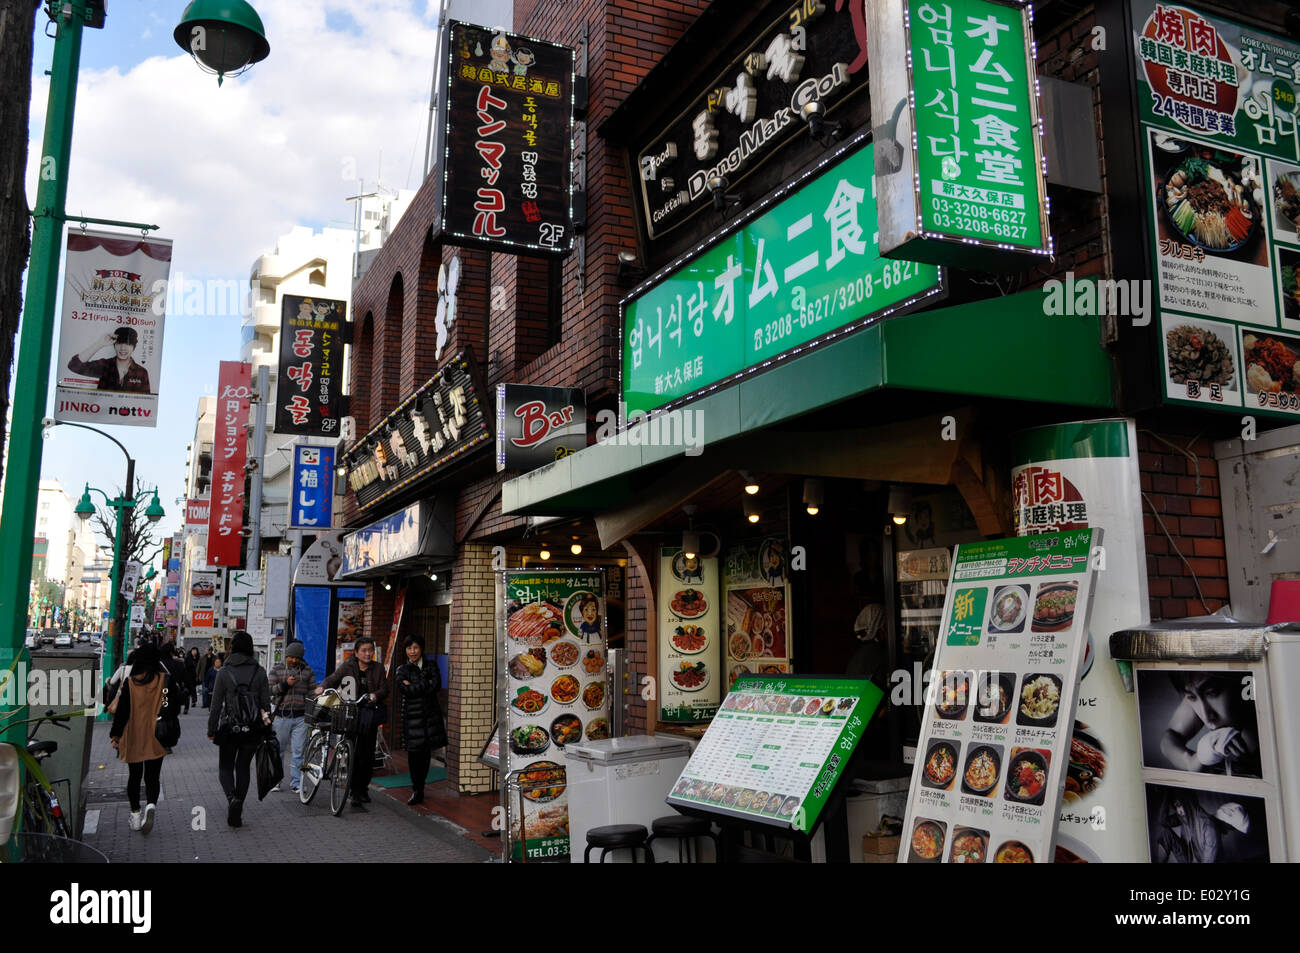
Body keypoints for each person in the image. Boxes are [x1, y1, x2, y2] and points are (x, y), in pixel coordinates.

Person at [315, 635, 387, 808]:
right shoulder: (348, 666)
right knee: (353, 753)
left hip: (369, 714)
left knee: (367, 756)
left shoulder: (378, 668)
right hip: (350, 713)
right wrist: (322, 687)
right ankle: (355, 791)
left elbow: (385, 688)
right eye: (364, 650)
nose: (368, 654)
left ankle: (363, 789)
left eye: (370, 650)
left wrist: (375, 695)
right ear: (356, 652)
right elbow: (333, 678)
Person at [207, 632, 271, 828]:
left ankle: (231, 798)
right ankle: (239, 804)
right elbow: (265, 703)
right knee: (243, 768)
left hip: (229, 728)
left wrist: (212, 729)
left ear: (232, 648)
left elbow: (216, 704)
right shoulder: (259, 671)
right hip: (252, 729)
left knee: (225, 768)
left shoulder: (225, 672)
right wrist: (267, 728)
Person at [109, 642, 172, 834]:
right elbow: (170, 705)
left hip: (133, 734)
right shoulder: (164, 682)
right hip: (156, 735)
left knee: (134, 776)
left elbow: (122, 711)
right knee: (152, 776)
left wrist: (115, 735)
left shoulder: (130, 682)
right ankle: (151, 805)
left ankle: (135, 814)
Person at [1160, 671, 1261, 778]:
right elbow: (1170, 737)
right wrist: (1193, 761)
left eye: (1212, 692)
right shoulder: (1199, 693)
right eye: (1191, 697)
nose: (1206, 717)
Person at [394, 635, 446, 805]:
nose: (412, 651)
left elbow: (436, 685)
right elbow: (405, 690)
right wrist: (425, 683)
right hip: (412, 719)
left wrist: (415, 685)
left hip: (430, 718)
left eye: (416, 648)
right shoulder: (402, 669)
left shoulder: (431, 665)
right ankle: (416, 788)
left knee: (425, 755)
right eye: (409, 648)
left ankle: (420, 788)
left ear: (421, 649)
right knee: (413, 755)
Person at [268, 641, 316, 793]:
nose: (294, 660)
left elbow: (312, 692)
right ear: (286, 655)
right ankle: (276, 781)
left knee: (299, 751)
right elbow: (269, 690)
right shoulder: (277, 669)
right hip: (281, 716)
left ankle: (296, 783)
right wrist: (284, 684)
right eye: (291, 657)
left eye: (297, 658)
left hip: (301, 717)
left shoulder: (308, 671)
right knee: (278, 751)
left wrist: (317, 694)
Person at [66, 325, 151, 393]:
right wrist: (100, 343)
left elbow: (145, 402)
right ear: (114, 345)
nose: (123, 348)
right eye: (119, 343)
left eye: (128, 344)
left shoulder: (141, 372)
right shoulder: (105, 365)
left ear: (133, 347)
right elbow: (74, 366)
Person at [161, 643, 189, 715]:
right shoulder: (179, 664)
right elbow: (186, 680)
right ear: (171, 653)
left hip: (161, 696)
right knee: (173, 720)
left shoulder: (158, 665)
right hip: (175, 697)